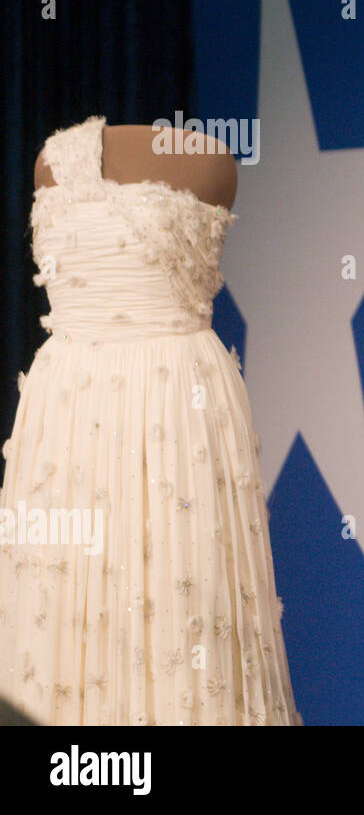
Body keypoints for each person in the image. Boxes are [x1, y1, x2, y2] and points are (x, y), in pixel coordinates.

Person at [0, 116, 300, 725]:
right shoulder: (53, 163)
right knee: (62, 610)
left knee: (180, 605)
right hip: (71, 417)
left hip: (174, 413)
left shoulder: (212, 163)